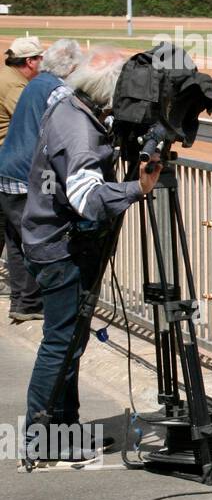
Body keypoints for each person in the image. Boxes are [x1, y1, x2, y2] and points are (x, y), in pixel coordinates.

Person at [21, 46, 161, 460]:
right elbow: (87, 198)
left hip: (51, 239)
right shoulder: (80, 131)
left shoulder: (69, 105)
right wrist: (138, 188)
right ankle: (41, 440)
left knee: (71, 341)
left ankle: (64, 430)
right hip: (60, 248)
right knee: (61, 343)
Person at [0, 39, 83, 322]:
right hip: (26, 175)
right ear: (71, 67)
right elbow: (66, 131)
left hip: (8, 170)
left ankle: (25, 304)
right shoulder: (56, 90)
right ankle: (44, 303)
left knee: (16, 239)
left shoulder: (34, 83)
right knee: (39, 238)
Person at [0, 36, 45, 321]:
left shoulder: (6, 76)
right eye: (39, 59)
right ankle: (27, 301)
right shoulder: (14, 84)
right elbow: (31, 119)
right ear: (29, 61)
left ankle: (24, 302)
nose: (41, 64)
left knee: (11, 234)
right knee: (23, 235)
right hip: (10, 164)